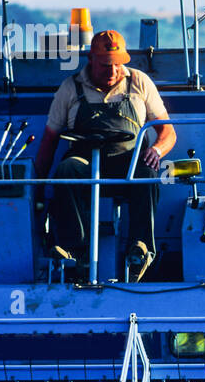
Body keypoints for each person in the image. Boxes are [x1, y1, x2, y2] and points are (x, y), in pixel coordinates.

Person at [32, 29, 176, 280]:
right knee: (67, 170)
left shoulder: (139, 82)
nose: (112, 71)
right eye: (105, 65)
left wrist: (157, 149)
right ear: (91, 59)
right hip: (86, 168)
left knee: (148, 172)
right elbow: (49, 141)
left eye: (117, 64)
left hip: (129, 167)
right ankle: (74, 251)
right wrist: (37, 189)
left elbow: (168, 132)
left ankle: (141, 251)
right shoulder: (70, 88)